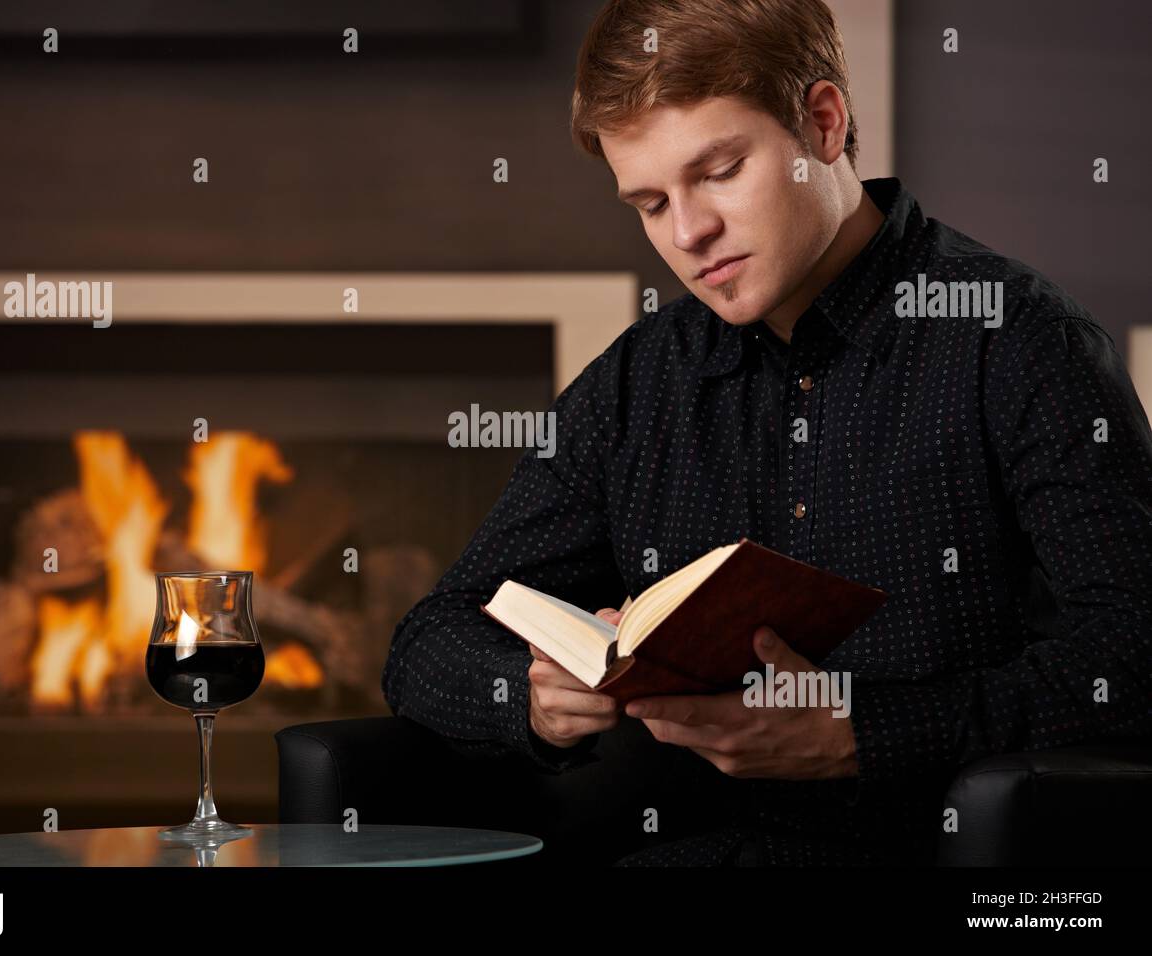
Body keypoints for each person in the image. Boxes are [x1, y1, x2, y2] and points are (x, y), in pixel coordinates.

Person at [381, 0, 1152, 865]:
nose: (686, 233)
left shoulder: (1017, 341)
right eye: (649, 201)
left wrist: (863, 733)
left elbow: (1133, 651)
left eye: (717, 172)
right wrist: (525, 695)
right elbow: (428, 637)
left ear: (823, 124)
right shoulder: (639, 381)